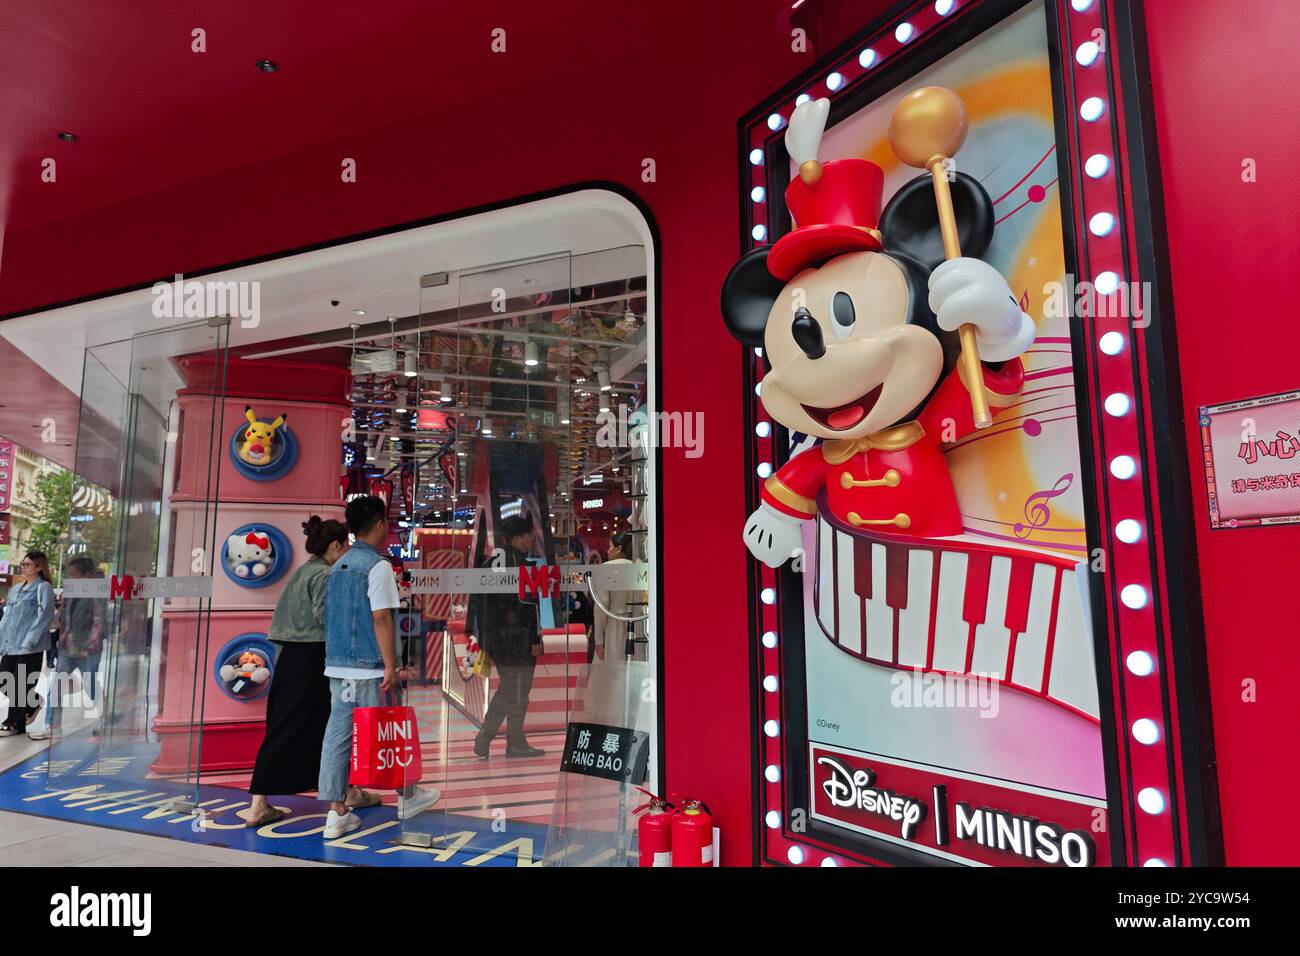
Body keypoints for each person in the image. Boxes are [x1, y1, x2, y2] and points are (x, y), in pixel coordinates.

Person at [239, 517, 381, 826]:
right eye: (345, 546)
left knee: (291, 726)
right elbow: (328, 618)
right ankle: (338, 794)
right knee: (331, 728)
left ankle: (341, 791)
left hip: (290, 657)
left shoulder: (302, 572)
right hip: (314, 657)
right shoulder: (325, 575)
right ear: (336, 546)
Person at [318, 496, 439, 839]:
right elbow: (382, 617)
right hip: (370, 666)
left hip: (338, 666)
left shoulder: (337, 567)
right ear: (380, 524)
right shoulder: (377, 566)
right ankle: (407, 795)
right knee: (388, 731)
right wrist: (390, 664)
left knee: (338, 737)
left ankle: (336, 812)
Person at [470, 515, 546, 759]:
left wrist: (482, 636)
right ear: (517, 538)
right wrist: (535, 638)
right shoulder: (521, 566)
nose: (532, 540)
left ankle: (493, 738)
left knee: (510, 688)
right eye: (529, 536)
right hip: (518, 640)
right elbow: (528, 606)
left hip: (495, 639)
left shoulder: (489, 564)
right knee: (518, 691)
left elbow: (477, 603)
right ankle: (509, 741)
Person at [30, 556, 105, 742]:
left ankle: (105, 719)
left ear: (87, 576)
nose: (69, 578)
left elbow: (99, 622)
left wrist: (89, 644)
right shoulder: (70, 593)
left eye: (73, 574)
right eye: (69, 574)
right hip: (66, 647)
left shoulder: (97, 594)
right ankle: (52, 726)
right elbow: (64, 617)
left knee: (90, 686)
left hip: (88, 649)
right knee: (56, 687)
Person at [0, 551, 55, 737]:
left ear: (39, 567)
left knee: (20, 685)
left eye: (27, 564)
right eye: (23, 564)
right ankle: (33, 703)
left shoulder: (43, 588)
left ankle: (13, 723)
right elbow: (7, 617)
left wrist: (30, 640)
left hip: (30, 646)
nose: (23, 567)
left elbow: (45, 616)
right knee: (4, 679)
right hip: (11, 644)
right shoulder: (16, 589)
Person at [586, 532, 637, 723]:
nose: (607, 551)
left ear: (619, 549)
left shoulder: (607, 569)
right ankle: (628, 717)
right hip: (636, 626)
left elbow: (601, 607)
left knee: (608, 678)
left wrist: (599, 639)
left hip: (613, 626)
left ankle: (608, 721)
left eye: (610, 546)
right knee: (631, 675)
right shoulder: (638, 566)